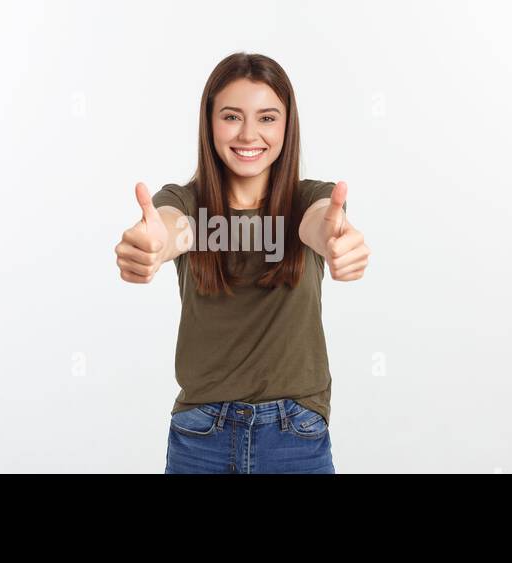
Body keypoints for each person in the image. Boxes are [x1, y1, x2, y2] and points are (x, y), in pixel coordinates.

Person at [114, 52, 371, 474]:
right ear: (209, 122)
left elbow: (319, 227)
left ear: (287, 126)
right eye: (232, 116)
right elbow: (171, 229)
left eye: (267, 118)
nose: (249, 134)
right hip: (200, 438)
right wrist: (152, 247)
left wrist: (337, 242)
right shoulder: (186, 202)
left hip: (296, 436)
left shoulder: (308, 201)